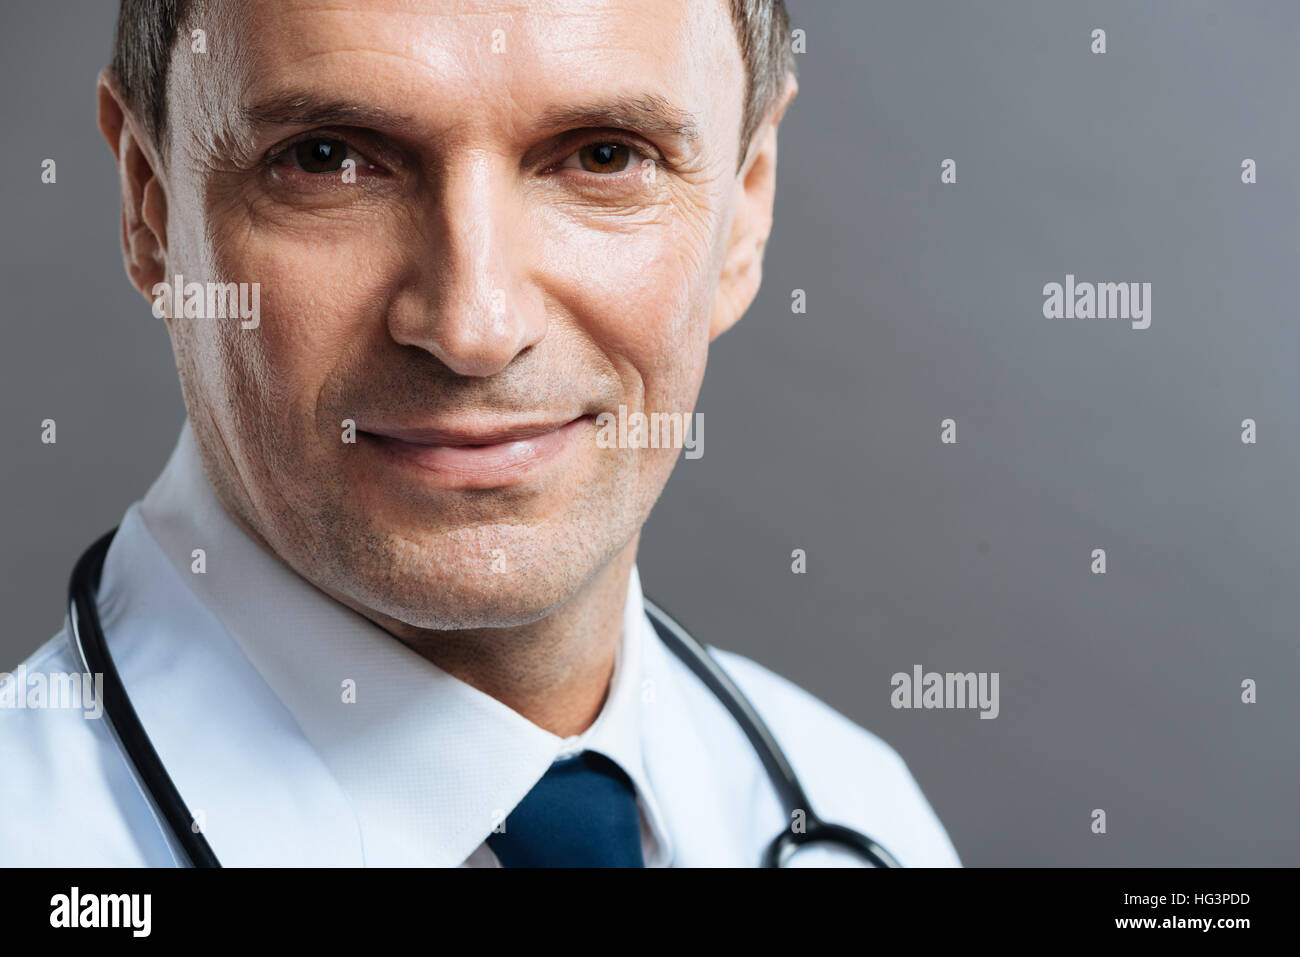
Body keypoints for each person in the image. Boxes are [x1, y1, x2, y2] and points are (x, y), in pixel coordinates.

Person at [0, 0, 960, 867]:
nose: (474, 326)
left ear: (746, 210)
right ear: (149, 205)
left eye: (603, 155)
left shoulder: (868, 814)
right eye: (328, 156)